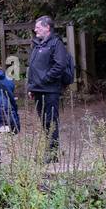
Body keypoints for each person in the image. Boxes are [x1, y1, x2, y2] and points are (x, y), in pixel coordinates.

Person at [26, 15, 71, 161]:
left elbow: (60, 65)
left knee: (51, 121)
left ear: (47, 28)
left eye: (38, 27)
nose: (35, 30)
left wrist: (46, 79)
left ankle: (52, 154)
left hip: (50, 90)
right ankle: (49, 152)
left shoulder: (56, 44)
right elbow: (32, 68)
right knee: (45, 122)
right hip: (38, 89)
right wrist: (31, 87)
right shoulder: (38, 44)